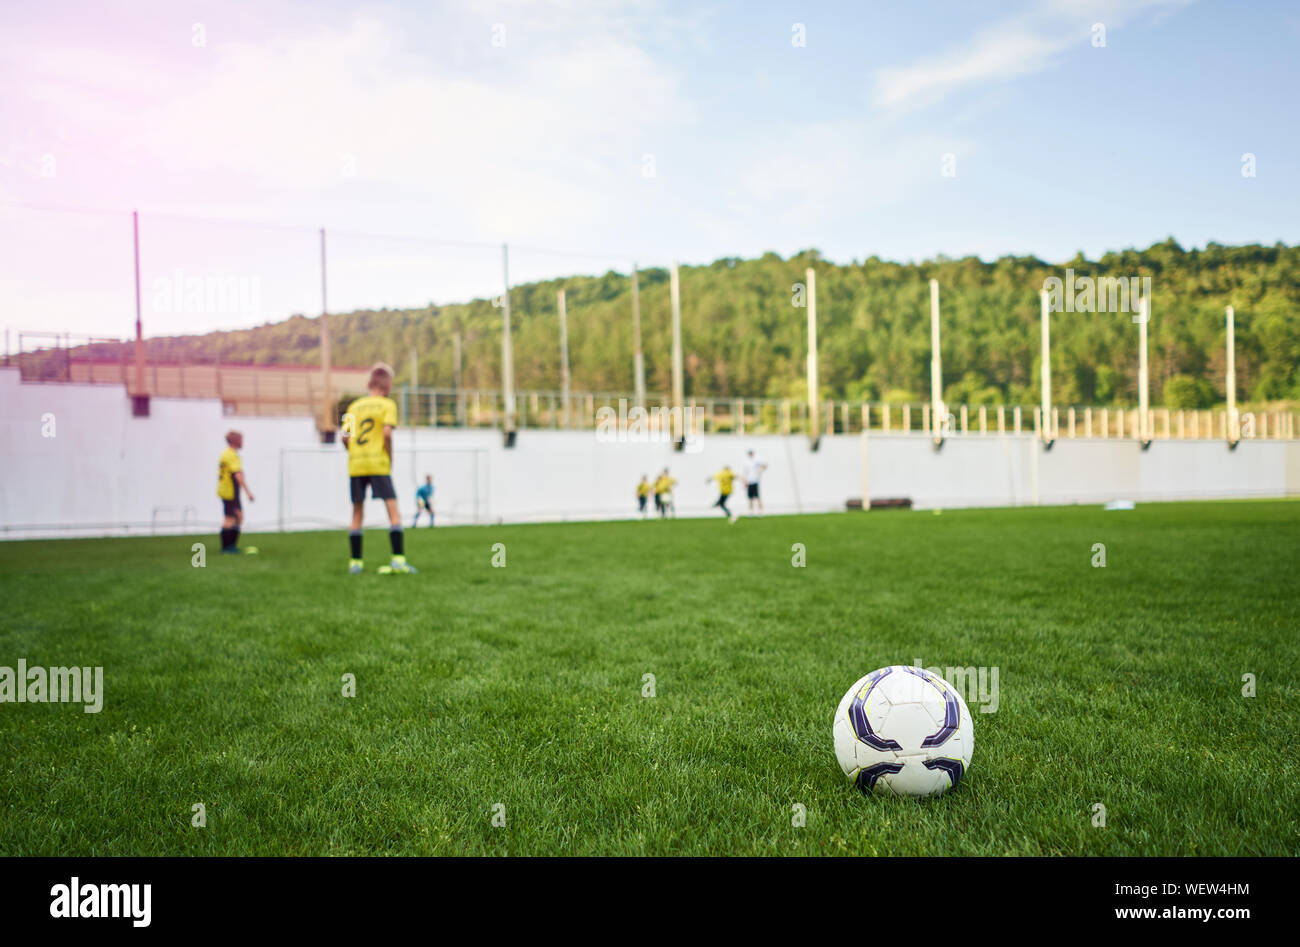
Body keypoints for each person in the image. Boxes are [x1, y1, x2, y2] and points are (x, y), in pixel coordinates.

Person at [341, 363, 416, 574]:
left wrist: (354, 452)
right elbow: (387, 434)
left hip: (356, 464)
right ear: (388, 385)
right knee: (393, 510)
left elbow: (344, 437)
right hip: (378, 463)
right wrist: (389, 457)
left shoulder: (353, 406)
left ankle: (355, 564)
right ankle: (398, 560)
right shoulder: (387, 405)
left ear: (369, 384)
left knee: (357, 512)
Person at [216, 430, 257, 555]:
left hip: (227, 490)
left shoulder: (226, 454)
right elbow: (237, 475)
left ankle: (231, 546)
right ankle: (227, 548)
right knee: (231, 518)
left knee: (238, 517)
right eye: (241, 439)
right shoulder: (232, 455)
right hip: (230, 491)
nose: (242, 442)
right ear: (236, 441)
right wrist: (248, 492)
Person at [743, 449, 768, 514]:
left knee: (758, 497)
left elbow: (765, 465)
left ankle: (761, 512)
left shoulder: (757, 460)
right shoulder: (747, 462)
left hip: (755, 481)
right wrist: (745, 481)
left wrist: (761, 471)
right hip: (749, 481)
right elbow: (745, 473)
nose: (750, 454)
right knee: (750, 498)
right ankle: (751, 512)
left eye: (751, 453)